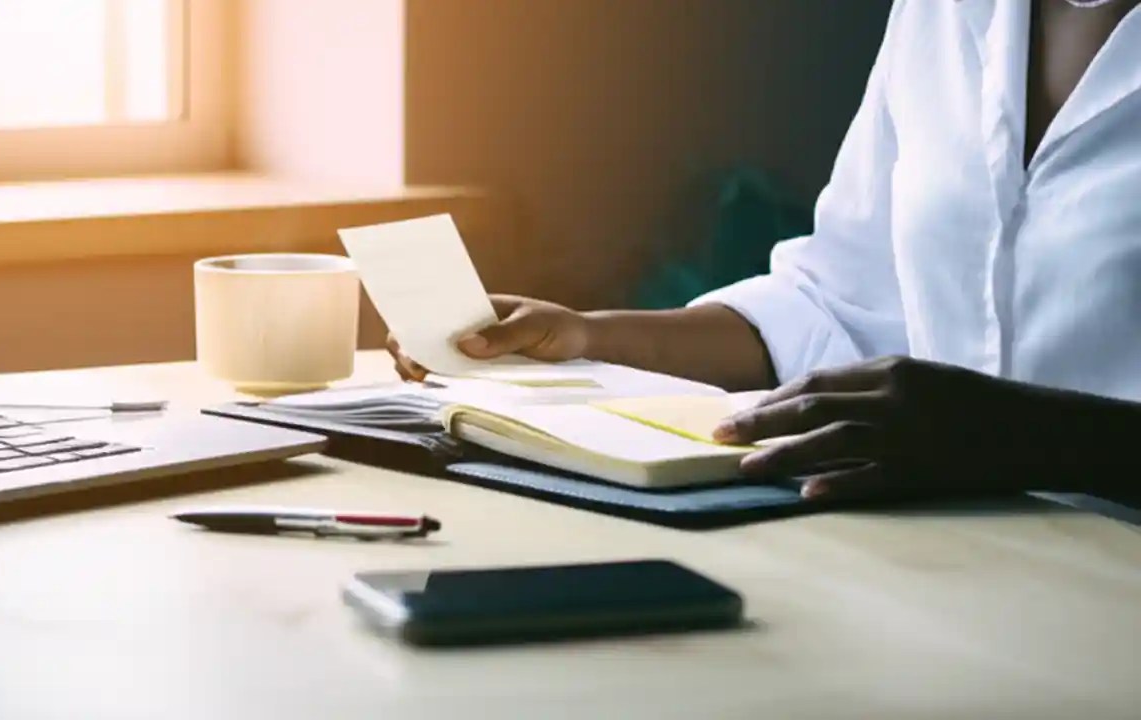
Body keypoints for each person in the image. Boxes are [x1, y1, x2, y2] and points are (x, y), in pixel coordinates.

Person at [388, 0, 1141, 504]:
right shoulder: (941, 13)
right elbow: (843, 299)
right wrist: (586, 336)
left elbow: (983, 425)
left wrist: (1031, 438)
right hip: (970, 563)